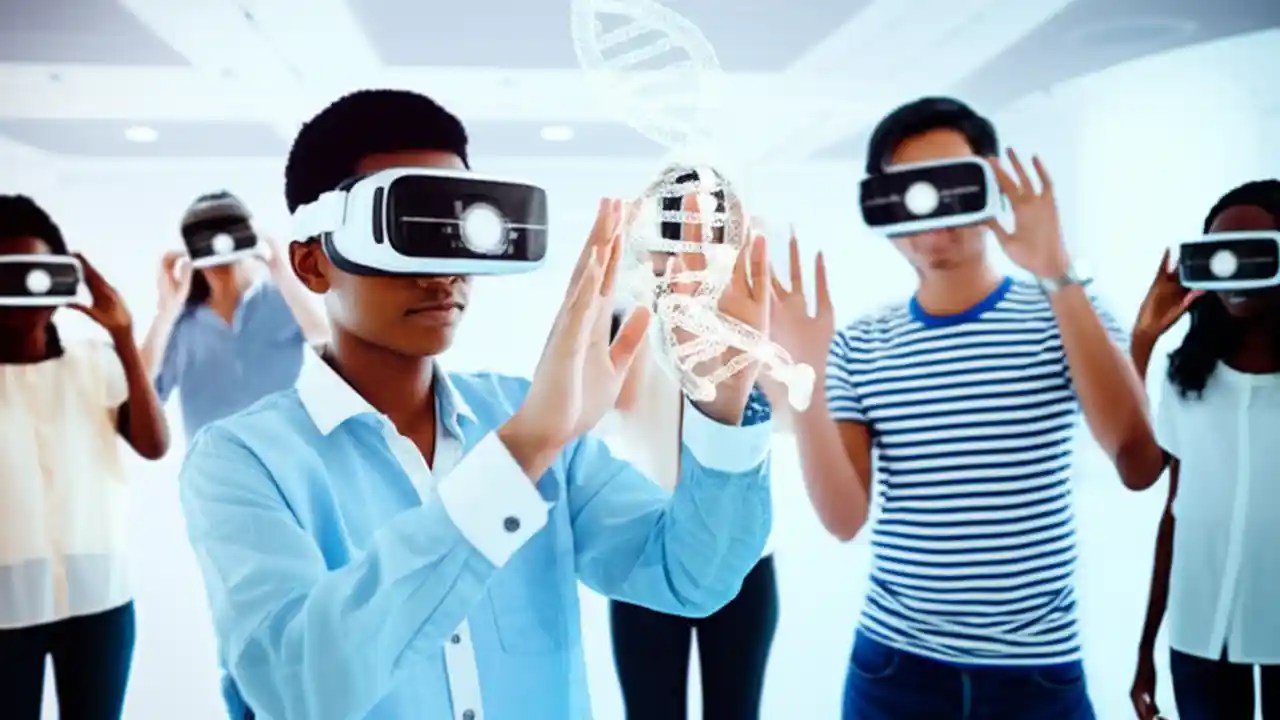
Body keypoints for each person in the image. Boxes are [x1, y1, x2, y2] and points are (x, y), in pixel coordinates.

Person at [177, 89, 775, 720]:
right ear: (311, 263)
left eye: (457, 236)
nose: (443, 274)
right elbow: (297, 685)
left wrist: (720, 402)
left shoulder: (530, 413)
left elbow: (692, 577)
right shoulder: (241, 462)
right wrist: (520, 455)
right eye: (409, 233)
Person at [768, 97, 1156, 719]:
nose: (933, 214)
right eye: (910, 192)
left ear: (993, 186)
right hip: (895, 669)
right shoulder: (863, 344)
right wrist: (806, 378)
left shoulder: (1065, 310)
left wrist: (1056, 270)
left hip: (1039, 673)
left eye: (954, 185)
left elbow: (1138, 462)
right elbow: (844, 520)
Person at [0, 195, 169, 719]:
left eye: (38, 273)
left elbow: (154, 444)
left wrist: (122, 333)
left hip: (100, 601)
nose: (26, 294)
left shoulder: (94, 362)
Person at [1126, 180, 1280, 720]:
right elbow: (1167, 505)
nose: (1234, 272)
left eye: (1254, 252)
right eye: (1219, 255)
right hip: (1199, 632)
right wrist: (1142, 340)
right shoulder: (1187, 374)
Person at [600, 308, 779, 720]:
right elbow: (612, 405)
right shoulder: (627, 309)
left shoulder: (746, 310)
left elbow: (780, 410)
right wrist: (651, 312)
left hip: (742, 554)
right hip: (647, 548)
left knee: (737, 711)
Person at [139, 191, 328, 441]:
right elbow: (137, 399)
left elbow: (332, 353)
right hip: (212, 469)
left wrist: (283, 273)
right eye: (204, 240)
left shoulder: (281, 301)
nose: (220, 257)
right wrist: (166, 311)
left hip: (284, 458)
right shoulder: (181, 323)